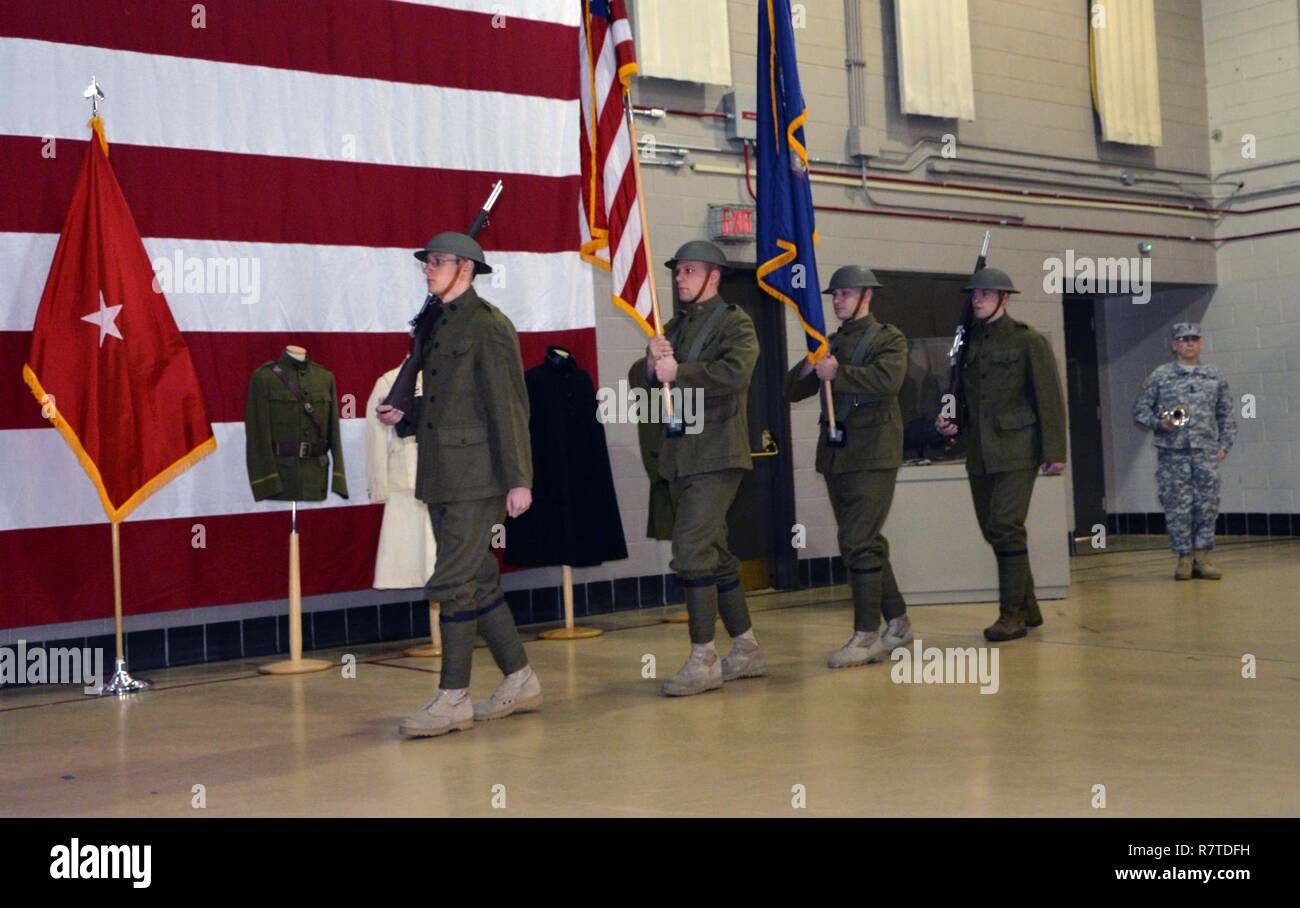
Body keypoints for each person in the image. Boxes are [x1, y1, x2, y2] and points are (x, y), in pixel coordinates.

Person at [377, 232, 540, 737]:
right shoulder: (442, 323)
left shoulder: (488, 327)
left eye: (438, 261)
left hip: (478, 477)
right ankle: (521, 677)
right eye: (427, 261)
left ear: (465, 269)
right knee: (478, 580)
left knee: (451, 582)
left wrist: (518, 479)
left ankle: (453, 698)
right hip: (444, 474)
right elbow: (451, 405)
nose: (428, 268)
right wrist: (406, 413)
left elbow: (508, 406)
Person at [632, 240, 763, 696]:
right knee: (716, 553)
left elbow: (734, 373)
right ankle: (745, 648)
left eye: (689, 271)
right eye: (678, 271)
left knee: (689, 551)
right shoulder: (674, 326)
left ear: (714, 276)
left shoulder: (735, 323)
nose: (679, 278)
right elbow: (643, 379)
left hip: (717, 453)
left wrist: (678, 373)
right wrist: (651, 366)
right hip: (682, 457)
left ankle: (703, 658)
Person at [784, 265, 914, 667]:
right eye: (835, 294)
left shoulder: (887, 338)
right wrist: (811, 365)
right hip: (839, 454)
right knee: (866, 541)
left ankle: (866, 634)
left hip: (874, 452)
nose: (838, 300)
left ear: (866, 296)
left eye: (846, 293)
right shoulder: (832, 341)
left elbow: (887, 380)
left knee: (856, 541)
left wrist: (839, 373)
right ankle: (899, 623)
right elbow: (791, 390)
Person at [935, 268, 1067, 641]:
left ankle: (1012, 617)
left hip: (1016, 448)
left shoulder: (1028, 341)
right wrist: (950, 419)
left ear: (1004, 298)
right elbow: (961, 393)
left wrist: (1055, 450)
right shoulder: (968, 343)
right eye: (974, 294)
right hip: (979, 449)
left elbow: (1049, 398)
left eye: (986, 294)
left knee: (1006, 526)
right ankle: (1029, 606)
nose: (977, 299)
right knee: (993, 529)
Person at [1133, 322, 1236, 580]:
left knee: (1207, 505)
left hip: (1205, 452)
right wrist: (1160, 423)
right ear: (1174, 345)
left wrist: (1224, 445)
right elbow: (1141, 410)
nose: (1189, 343)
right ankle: (1183, 558)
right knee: (1178, 506)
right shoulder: (1161, 376)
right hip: (1173, 452)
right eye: (1183, 339)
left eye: (1194, 339)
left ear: (1200, 343)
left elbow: (1226, 414)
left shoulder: (1214, 376)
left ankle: (1202, 558)